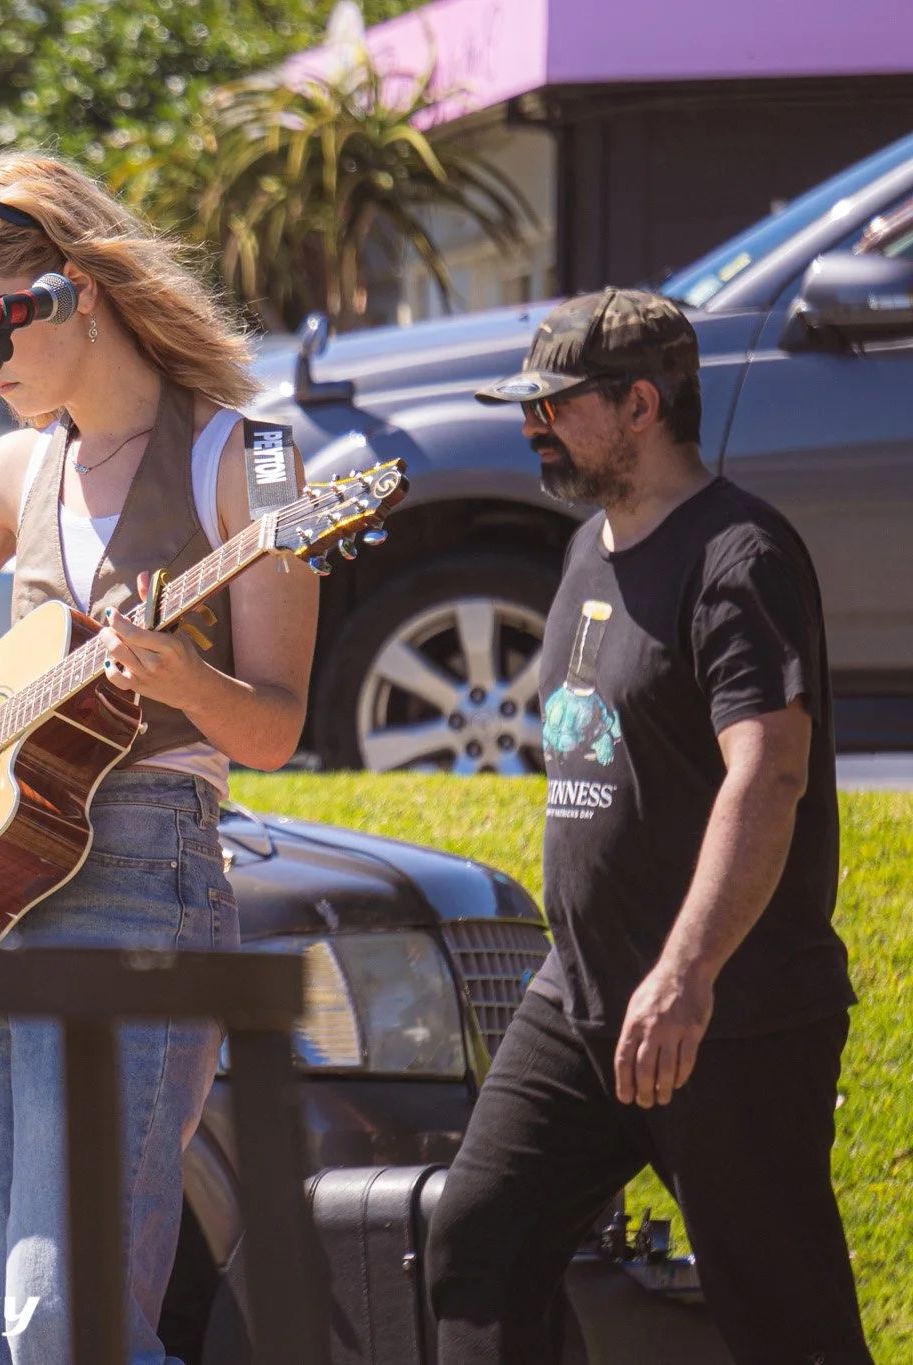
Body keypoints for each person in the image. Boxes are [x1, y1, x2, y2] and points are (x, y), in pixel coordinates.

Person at [0, 152, 319, 1365]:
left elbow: (271, 727)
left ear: (71, 294)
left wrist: (181, 678)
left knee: (65, 1321)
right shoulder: (14, 469)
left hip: (142, 890)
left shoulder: (245, 460)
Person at [428, 289, 869, 1364]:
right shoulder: (588, 549)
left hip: (726, 1015)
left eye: (554, 404)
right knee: (476, 1247)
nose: (530, 424)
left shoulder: (737, 555)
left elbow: (765, 780)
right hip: (581, 1005)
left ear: (638, 404)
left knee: (782, 1318)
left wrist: (683, 974)